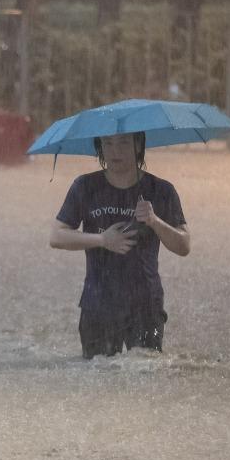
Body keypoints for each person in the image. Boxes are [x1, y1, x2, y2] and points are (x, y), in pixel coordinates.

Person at [49, 132, 190, 358]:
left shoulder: (161, 190)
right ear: (100, 147)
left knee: (146, 380)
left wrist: (155, 222)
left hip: (146, 304)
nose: (115, 151)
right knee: (98, 382)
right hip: (98, 303)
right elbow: (56, 236)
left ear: (138, 145)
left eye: (123, 142)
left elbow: (184, 245)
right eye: (108, 143)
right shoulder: (85, 186)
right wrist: (103, 240)